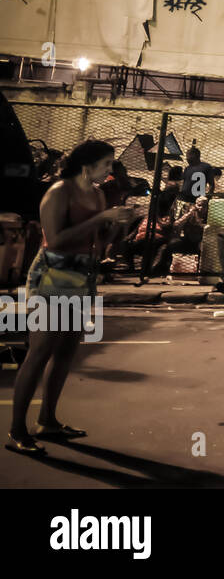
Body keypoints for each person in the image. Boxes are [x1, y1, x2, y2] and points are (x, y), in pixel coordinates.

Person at [7, 140, 136, 456]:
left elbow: (98, 239)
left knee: (66, 350)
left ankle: (47, 421)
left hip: (81, 275)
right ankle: (17, 430)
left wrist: (119, 225)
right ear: (87, 164)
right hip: (52, 275)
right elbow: (56, 240)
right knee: (39, 352)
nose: (110, 171)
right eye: (106, 164)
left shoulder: (97, 194)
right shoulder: (59, 192)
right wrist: (99, 219)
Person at [140, 193, 208, 284]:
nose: (201, 208)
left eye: (204, 206)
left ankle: (202, 274)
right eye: (199, 205)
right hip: (187, 240)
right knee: (167, 246)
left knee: (203, 248)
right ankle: (153, 272)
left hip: (201, 242)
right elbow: (176, 225)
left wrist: (201, 226)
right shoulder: (191, 214)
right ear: (195, 205)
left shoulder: (209, 216)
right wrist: (188, 215)